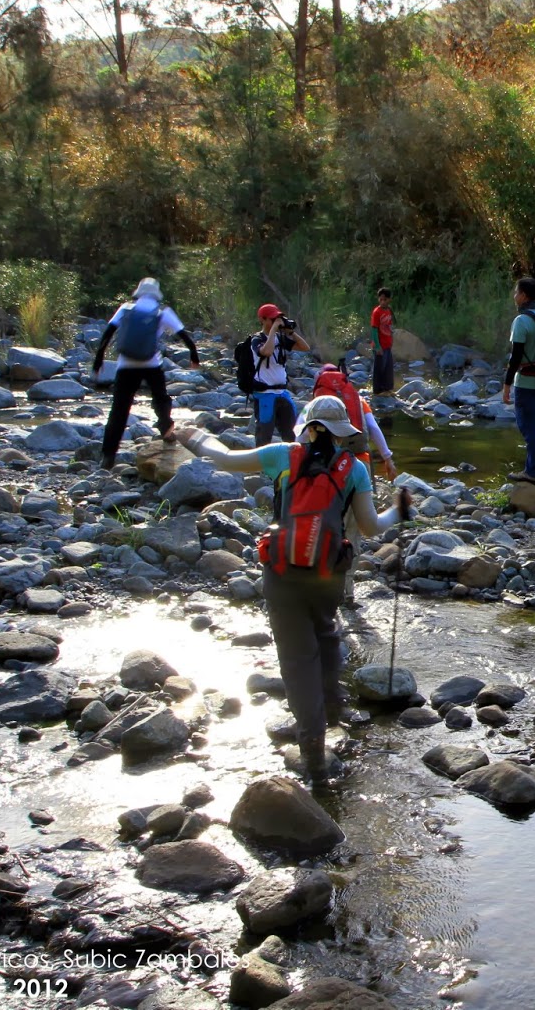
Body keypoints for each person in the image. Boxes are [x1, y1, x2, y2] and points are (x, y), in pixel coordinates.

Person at [172, 396, 411, 786]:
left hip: (282, 572)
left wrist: (191, 435)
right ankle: (334, 704)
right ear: (341, 434)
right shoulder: (354, 470)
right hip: (329, 573)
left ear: (307, 426)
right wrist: (399, 510)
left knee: (297, 659)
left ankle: (314, 753)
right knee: (326, 628)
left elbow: (227, 458)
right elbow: (370, 527)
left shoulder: (283, 455)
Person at [92, 278, 200, 470]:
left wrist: (98, 359)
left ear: (139, 292)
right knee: (161, 398)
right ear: (156, 294)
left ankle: (108, 456)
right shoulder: (162, 312)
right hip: (151, 364)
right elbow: (184, 335)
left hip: (126, 365)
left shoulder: (126, 308)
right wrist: (194, 356)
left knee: (119, 409)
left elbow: (108, 333)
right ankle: (166, 429)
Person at [500, 277, 535, 484]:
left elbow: (515, 357)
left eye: (516, 292)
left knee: (529, 426)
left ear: (523, 296)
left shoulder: (521, 320)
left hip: (526, 382)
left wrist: (507, 385)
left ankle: (533, 471)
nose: (514, 296)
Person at [312, 363, 398, 480]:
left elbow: (302, 435)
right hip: (360, 462)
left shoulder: (316, 404)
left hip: (329, 463)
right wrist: (388, 459)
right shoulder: (357, 399)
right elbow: (373, 428)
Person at [249, 303, 309, 445]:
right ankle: (262, 466)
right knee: (264, 436)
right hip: (265, 395)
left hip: (282, 392)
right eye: (272, 319)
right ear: (262, 320)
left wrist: (291, 332)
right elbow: (267, 352)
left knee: (292, 436)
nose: (276, 322)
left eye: (277, 319)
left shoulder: (280, 339)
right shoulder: (256, 339)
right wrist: (274, 329)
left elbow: (305, 347)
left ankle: (290, 464)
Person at [370, 287, 395, 397]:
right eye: (380, 299)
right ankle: (378, 391)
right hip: (379, 345)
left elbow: (389, 326)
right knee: (379, 369)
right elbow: (374, 330)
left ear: (389, 300)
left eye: (385, 300)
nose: (382, 302)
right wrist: (377, 346)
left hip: (388, 343)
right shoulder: (377, 312)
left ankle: (387, 388)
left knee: (388, 368)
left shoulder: (389, 310)